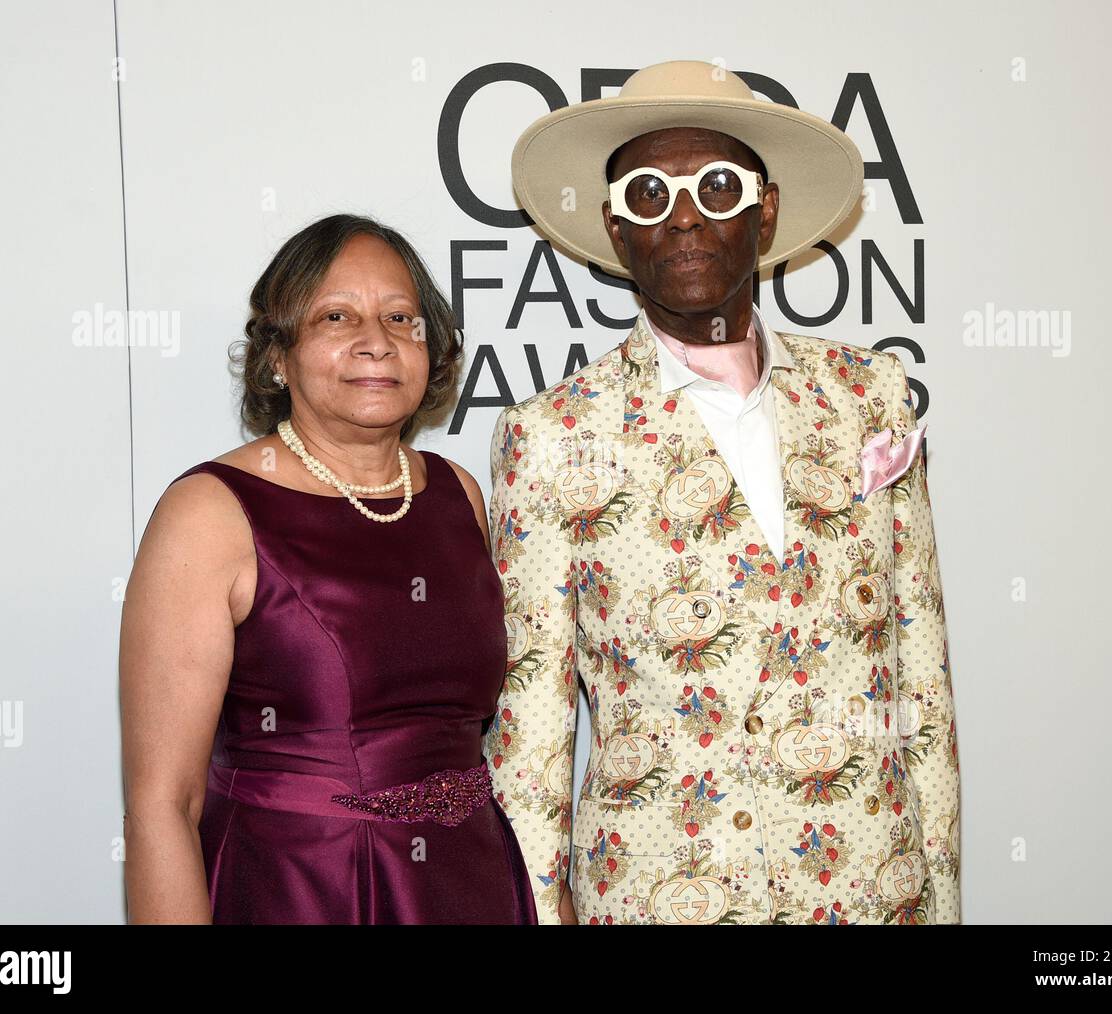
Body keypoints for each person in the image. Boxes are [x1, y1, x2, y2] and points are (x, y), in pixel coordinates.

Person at [484, 61, 961, 924]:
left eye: (714, 185)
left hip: (869, 887)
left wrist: (940, 896)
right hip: (659, 896)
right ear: (615, 231)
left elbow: (920, 678)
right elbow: (532, 740)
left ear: (765, 209)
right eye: (648, 197)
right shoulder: (550, 437)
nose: (686, 217)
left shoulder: (870, 396)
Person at [120, 213, 537, 924]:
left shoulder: (458, 493)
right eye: (336, 316)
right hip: (301, 888)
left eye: (401, 317)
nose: (376, 341)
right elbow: (164, 805)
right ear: (278, 357)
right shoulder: (210, 513)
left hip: (470, 881)